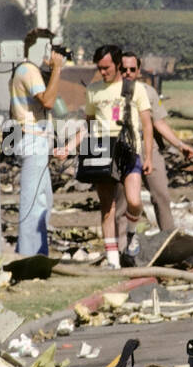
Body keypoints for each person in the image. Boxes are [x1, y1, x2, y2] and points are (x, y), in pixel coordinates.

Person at [56, 44, 154, 266]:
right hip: (100, 150)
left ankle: (131, 233)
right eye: (99, 68)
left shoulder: (136, 89)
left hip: (128, 149)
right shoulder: (93, 90)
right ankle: (113, 260)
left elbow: (147, 125)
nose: (102, 72)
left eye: (106, 68)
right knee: (107, 208)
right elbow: (88, 126)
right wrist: (68, 148)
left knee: (134, 201)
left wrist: (148, 156)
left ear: (118, 64)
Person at [114, 52, 193, 251]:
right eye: (123, 69)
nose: (127, 73)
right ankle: (122, 248)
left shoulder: (148, 92)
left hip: (147, 146)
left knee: (161, 196)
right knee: (123, 201)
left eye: (132, 69)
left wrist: (180, 145)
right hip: (122, 148)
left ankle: (169, 242)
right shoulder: (112, 93)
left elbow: (159, 123)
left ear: (138, 71)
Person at [8, 28, 63, 255]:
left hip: (34, 140)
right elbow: (48, 101)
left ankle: (35, 251)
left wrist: (50, 71)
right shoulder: (28, 70)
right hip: (32, 139)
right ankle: (29, 255)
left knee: (44, 200)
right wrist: (57, 69)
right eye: (49, 48)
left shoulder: (28, 69)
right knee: (33, 203)